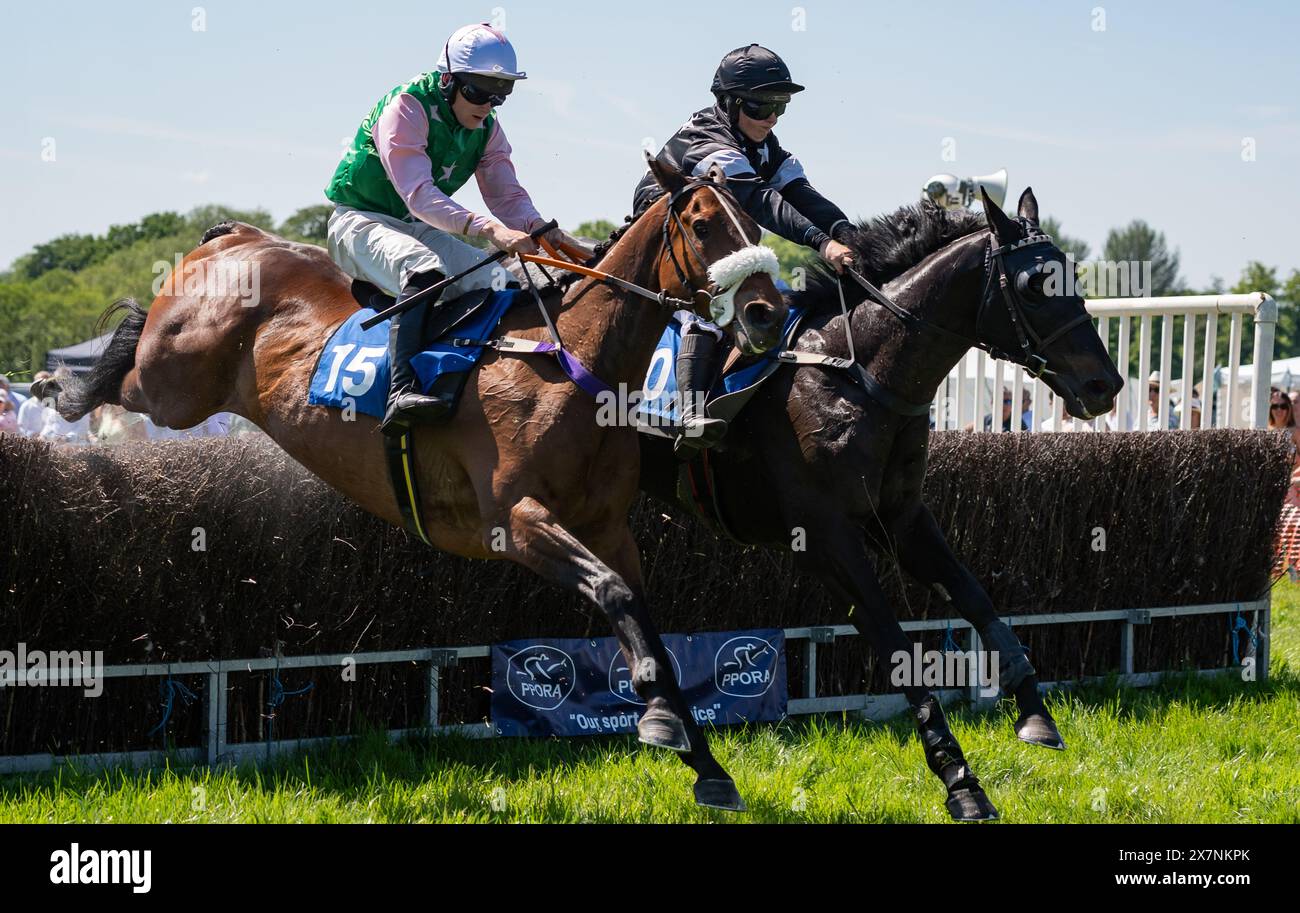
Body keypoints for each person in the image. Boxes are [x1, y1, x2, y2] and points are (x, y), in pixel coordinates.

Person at [324, 22, 582, 435]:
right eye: (479, 90)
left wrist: (542, 228)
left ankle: (458, 376)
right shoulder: (407, 107)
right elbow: (420, 196)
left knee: (503, 281)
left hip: (413, 226)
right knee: (423, 270)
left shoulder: (488, 129)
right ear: (448, 80)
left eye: (501, 92)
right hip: (359, 220)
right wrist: (492, 231)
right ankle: (400, 390)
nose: (489, 103)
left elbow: (506, 195)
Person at [633, 44, 856, 454]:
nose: (771, 117)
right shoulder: (707, 138)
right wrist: (821, 243)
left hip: (716, 236)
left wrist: (847, 232)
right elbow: (762, 202)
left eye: (780, 107)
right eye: (760, 107)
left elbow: (801, 195)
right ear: (729, 103)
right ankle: (691, 409)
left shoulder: (765, 144)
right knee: (711, 307)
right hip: (667, 238)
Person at [17, 371, 51, 437]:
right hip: (32, 444)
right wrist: (34, 435)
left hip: (53, 444)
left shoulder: (56, 406)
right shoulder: (26, 406)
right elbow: (21, 429)